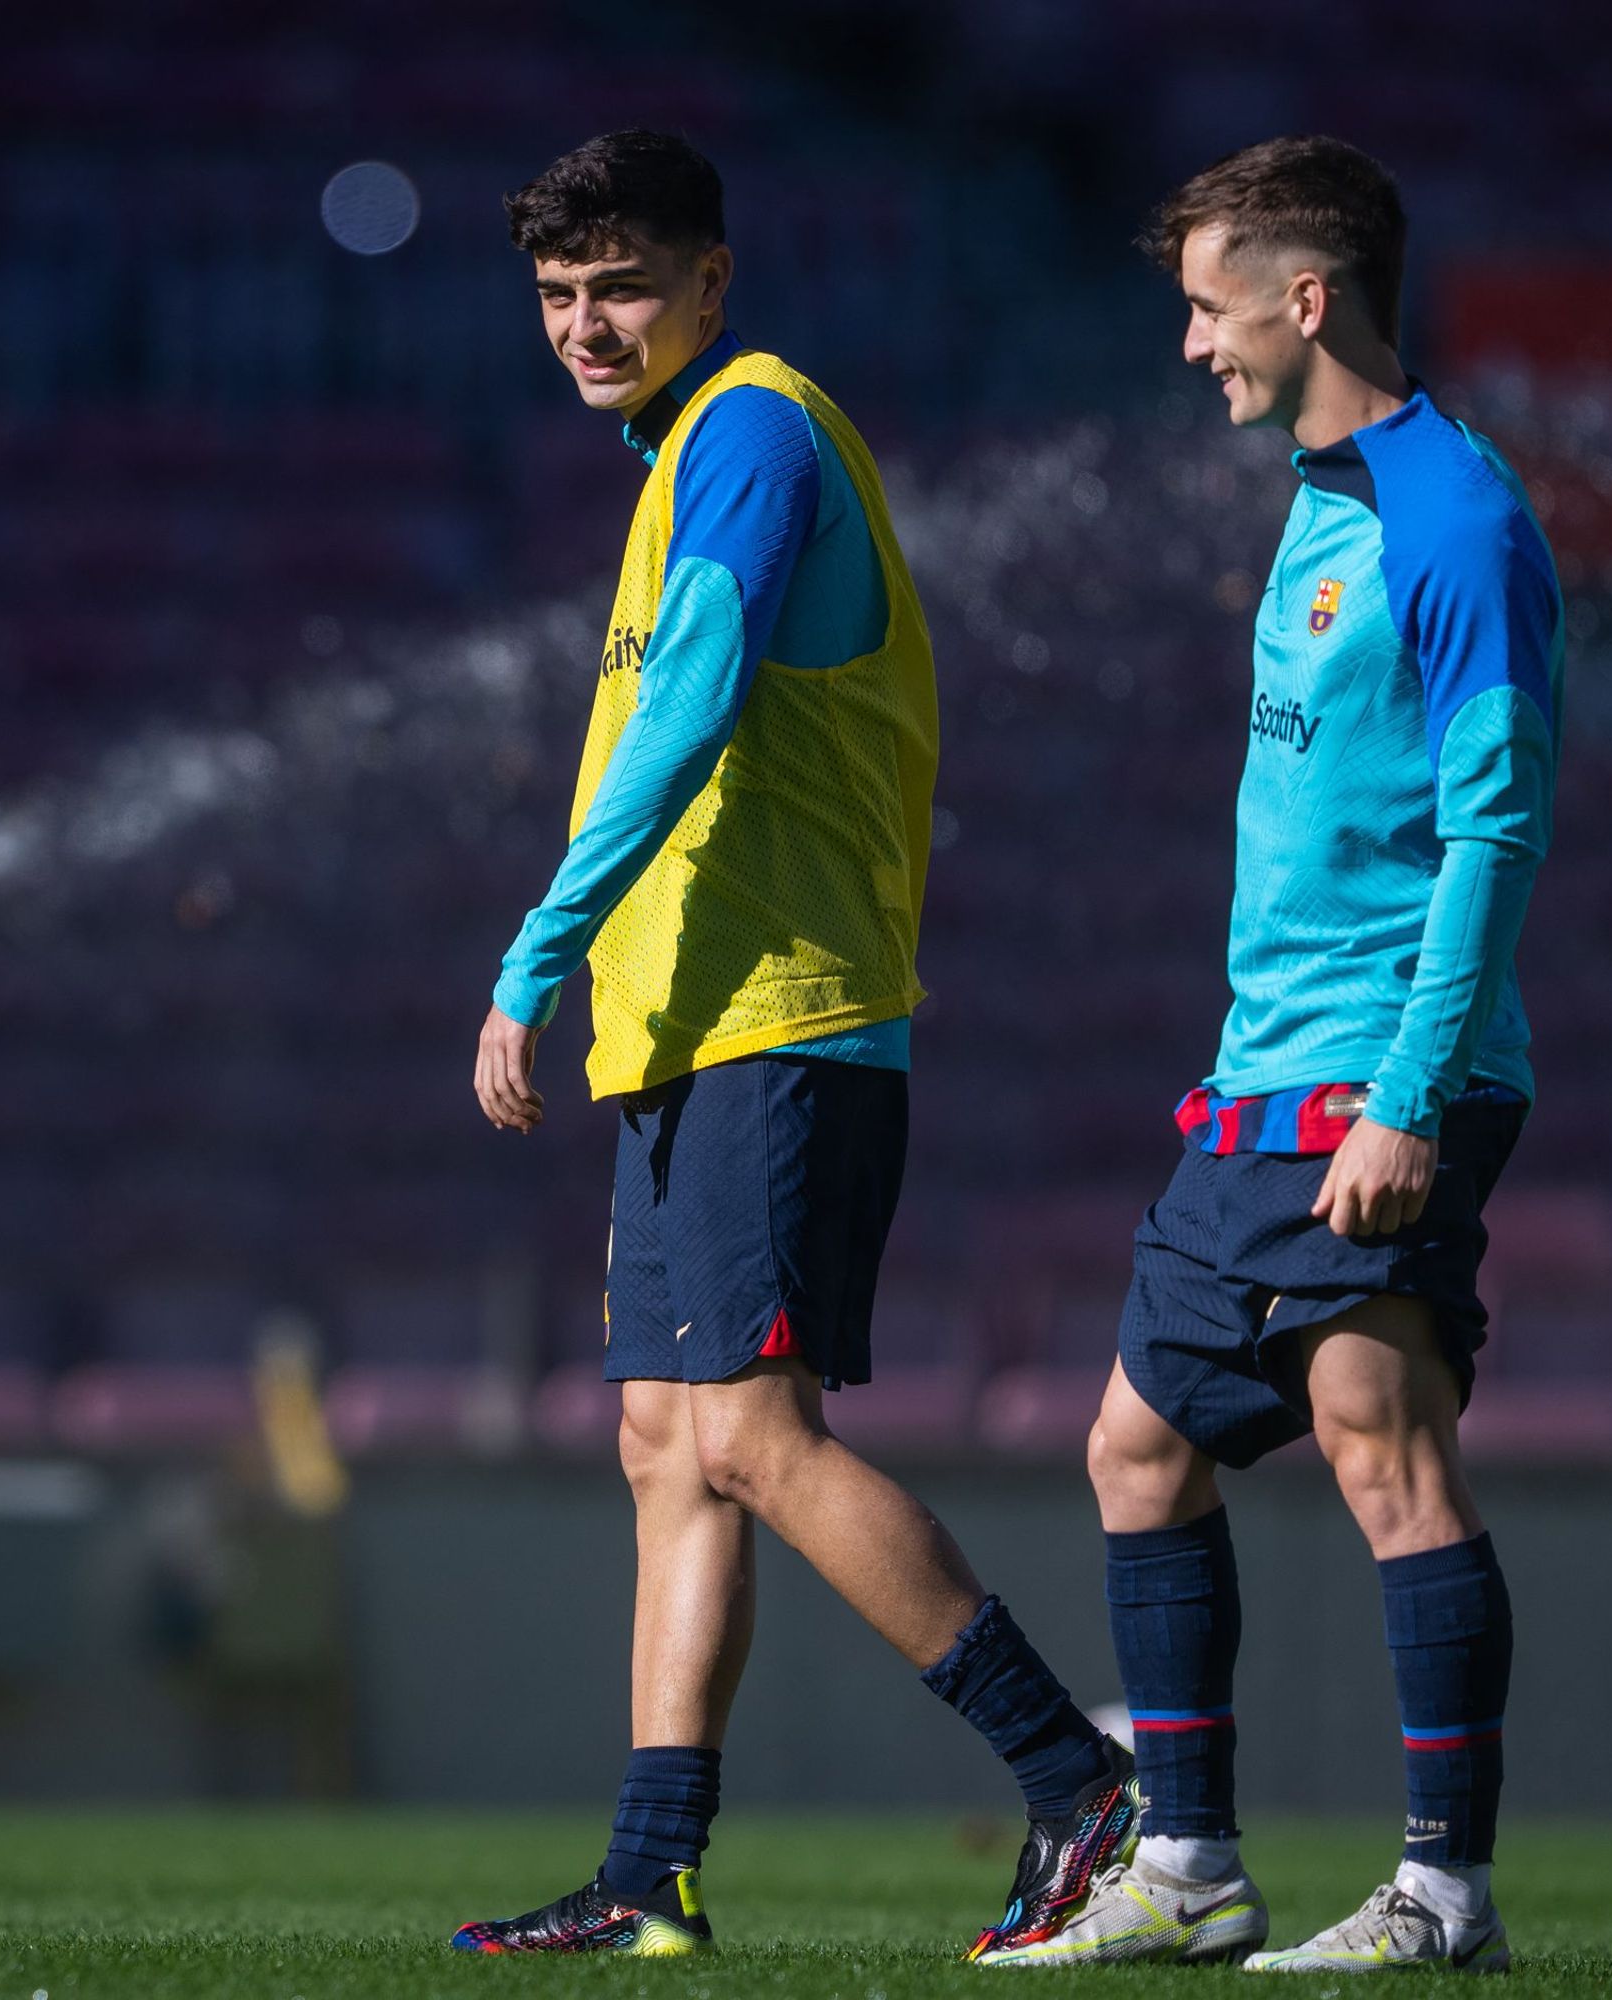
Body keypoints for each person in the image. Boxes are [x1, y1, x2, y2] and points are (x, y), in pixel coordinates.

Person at [450, 129, 1134, 1961]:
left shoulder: (750, 426)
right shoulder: (682, 449)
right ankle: (648, 1877)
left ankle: (1083, 1789)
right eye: (558, 295)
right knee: (669, 1448)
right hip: (692, 1037)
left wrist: (538, 950)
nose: (589, 324)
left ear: (713, 279)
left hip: (788, 1022)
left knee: (749, 1435)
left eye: (624, 287)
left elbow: (696, 696)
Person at [978, 136, 1560, 1973]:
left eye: (1209, 309)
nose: (1189, 348)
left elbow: (1496, 830)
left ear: (1307, 300)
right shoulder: (1319, 502)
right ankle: (1194, 1865)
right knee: (1138, 1448)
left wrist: (1405, 1092)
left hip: (1383, 1069)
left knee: (1378, 1436)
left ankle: (1442, 1893)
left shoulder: (1452, 517)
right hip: (1259, 1076)